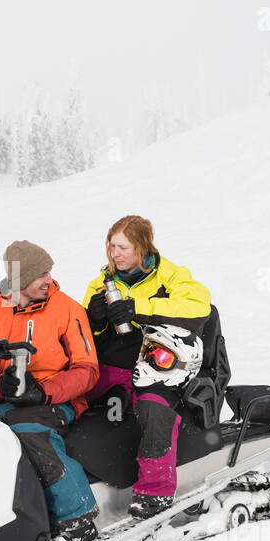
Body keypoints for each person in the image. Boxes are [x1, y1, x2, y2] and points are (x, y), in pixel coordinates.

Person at [0, 239, 100, 541]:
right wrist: (0, 388)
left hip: (58, 400)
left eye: (48, 270)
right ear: (18, 281)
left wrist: (44, 392)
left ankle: (77, 518)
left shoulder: (68, 309)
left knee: (30, 432)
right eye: (39, 274)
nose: (48, 279)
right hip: (8, 400)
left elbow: (88, 370)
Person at [83, 215, 210, 519]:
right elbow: (84, 338)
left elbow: (198, 307)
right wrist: (94, 319)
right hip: (113, 366)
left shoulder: (171, 276)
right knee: (70, 397)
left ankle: (155, 492)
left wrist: (141, 309)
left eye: (123, 247)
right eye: (112, 246)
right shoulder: (101, 284)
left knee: (154, 407)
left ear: (142, 246)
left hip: (160, 366)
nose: (116, 254)